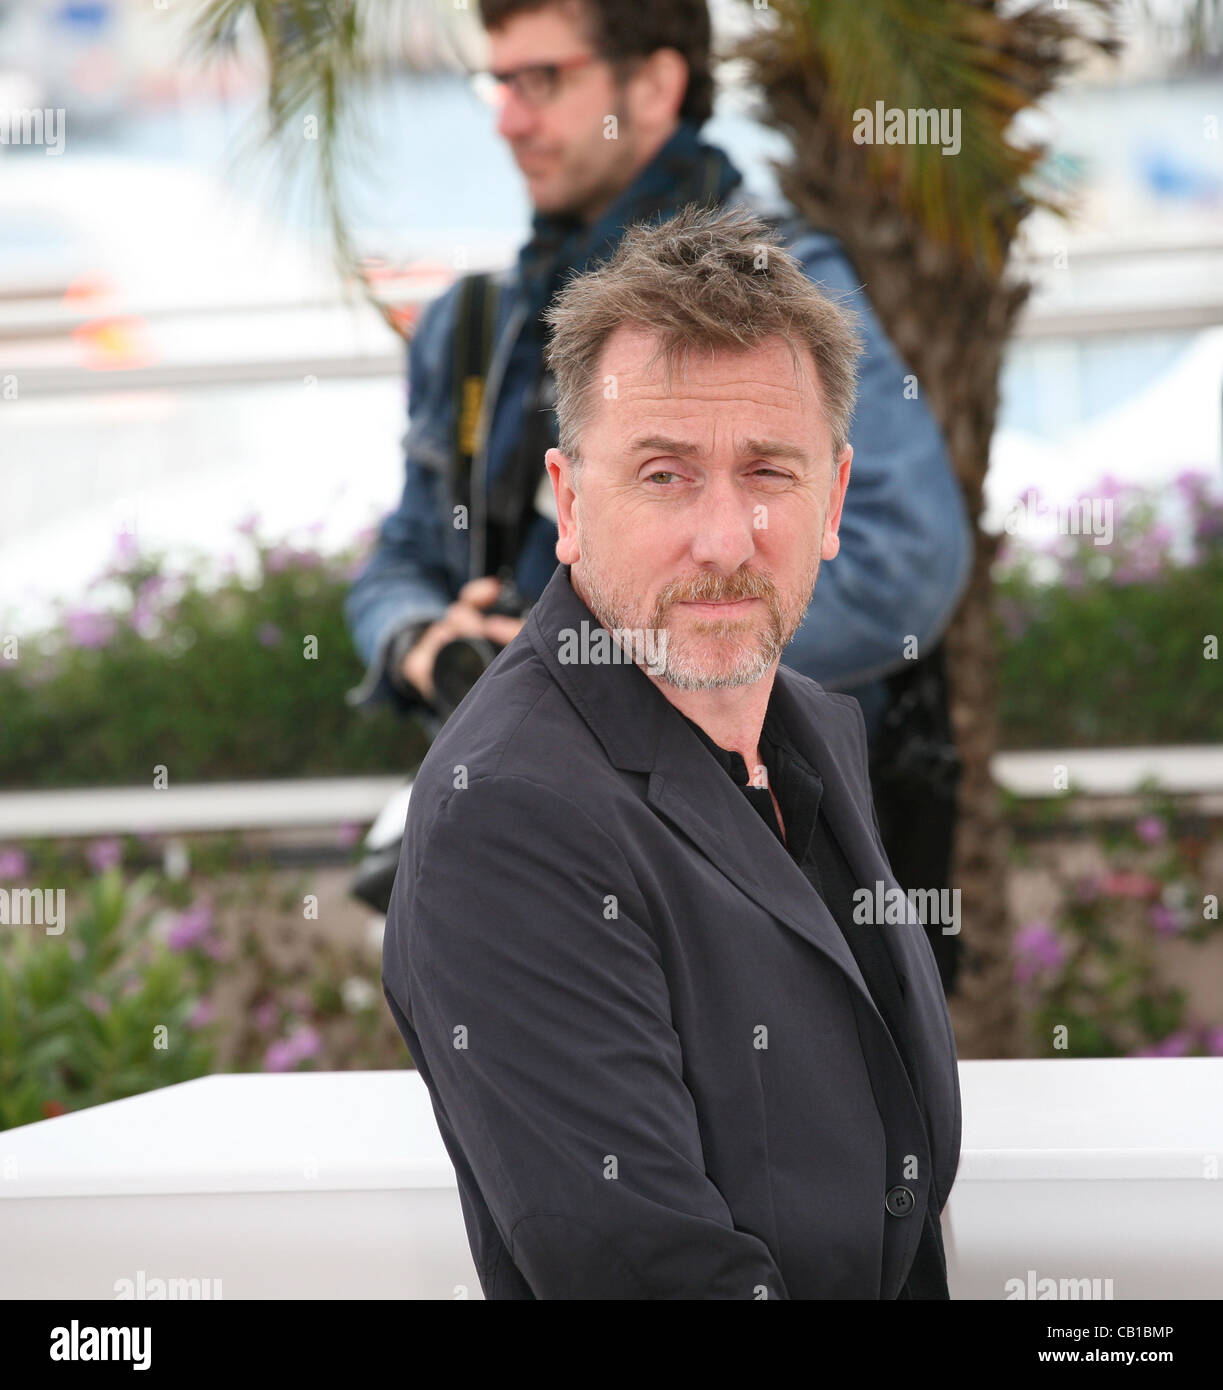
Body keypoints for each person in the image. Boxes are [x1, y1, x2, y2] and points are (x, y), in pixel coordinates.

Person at [381, 204, 962, 1300]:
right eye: (663, 474)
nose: (721, 538)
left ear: (832, 498)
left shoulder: (813, 731)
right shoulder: (505, 813)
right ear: (567, 499)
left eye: (767, 474)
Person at [345, 0, 971, 988]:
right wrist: (427, 645)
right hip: (529, 845)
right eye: (497, 83)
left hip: (760, 869)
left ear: (653, 84)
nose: (508, 117)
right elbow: (401, 557)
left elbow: (905, 559)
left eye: (542, 80)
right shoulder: (474, 328)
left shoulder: (786, 295)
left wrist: (607, 665)